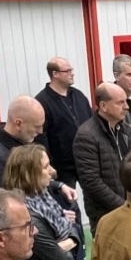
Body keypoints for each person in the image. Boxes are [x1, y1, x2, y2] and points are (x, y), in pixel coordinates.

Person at [73, 82, 131, 235]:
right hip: (105, 215)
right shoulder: (86, 136)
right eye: (120, 102)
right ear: (103, 106)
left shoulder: (126, 131)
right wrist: (123, 206)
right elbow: (91, 181)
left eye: (126, 101)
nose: (126, 107)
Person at [36, 58, 93, 190]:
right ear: (55, 74)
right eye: (67, 71)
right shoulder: (42, 101)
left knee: (95, 196)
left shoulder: (78, 96)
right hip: (61, 166)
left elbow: (92, 123)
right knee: (66, 198)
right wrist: (49, 164)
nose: (72, 73)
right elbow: (41, 136)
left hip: (86, 160)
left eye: (71, 70)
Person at [0, 95, 47, 193]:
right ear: (18, 123)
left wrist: (57, 186)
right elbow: (3, 198)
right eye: (37, 126)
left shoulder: (24, 141)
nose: (40, 131)